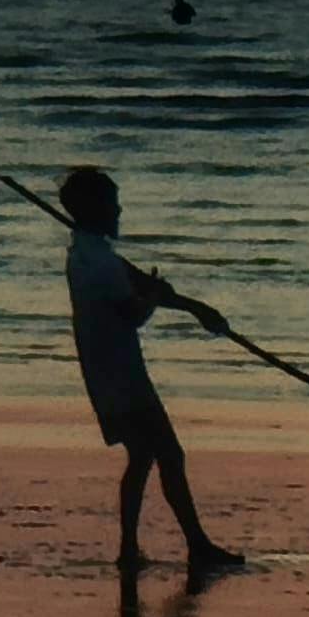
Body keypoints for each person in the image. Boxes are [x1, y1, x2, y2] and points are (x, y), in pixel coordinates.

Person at [59, 168, 245, 575]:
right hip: (123, 378)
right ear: (95, 209)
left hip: (108, 374)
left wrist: (196, 309)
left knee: (143, 456)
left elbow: (142, 287)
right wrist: (155, 299)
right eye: (112, 203)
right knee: (169, 454)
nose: (119, 211)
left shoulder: (87, 254)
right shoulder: (99, 263)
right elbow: (133, 312)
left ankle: (129, 548)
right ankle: (196, 545)